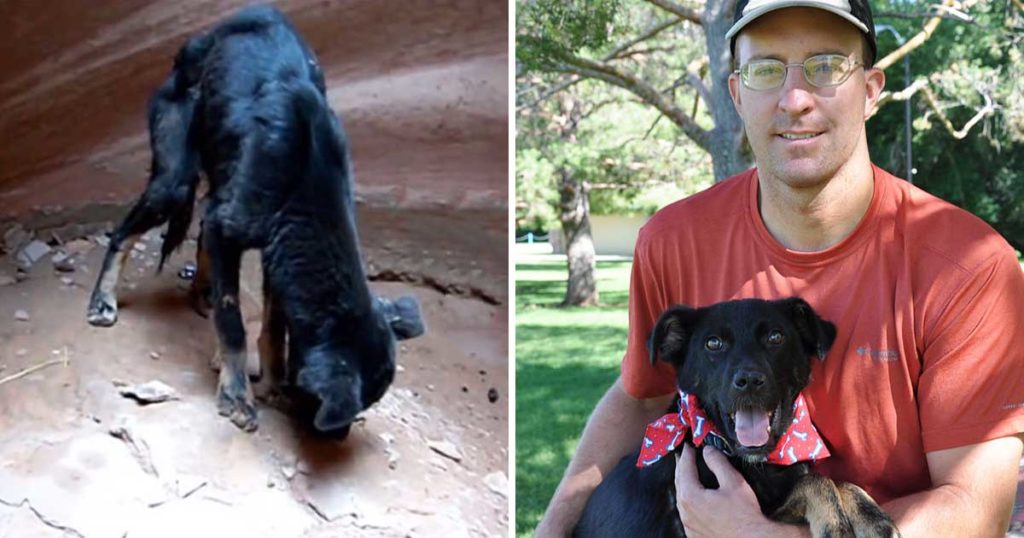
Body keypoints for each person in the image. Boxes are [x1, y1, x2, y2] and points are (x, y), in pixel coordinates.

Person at [534, 0, 1024, 536]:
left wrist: (762, 535)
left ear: (870, 90)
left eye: (826, 66)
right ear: (737, 95)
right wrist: (552, 529)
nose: (795, 100)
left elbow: (977, 509)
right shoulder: (673, 240)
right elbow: (642, 395)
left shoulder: (968, 267)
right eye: (767, 70)